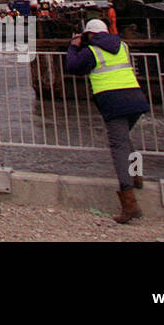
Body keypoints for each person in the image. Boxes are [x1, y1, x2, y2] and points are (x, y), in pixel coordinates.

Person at [65, 17, 150, 223]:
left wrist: (73, 47)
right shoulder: (123, 46)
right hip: (136, 100)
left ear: (89, 34)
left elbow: (73, 66)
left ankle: (129, 202)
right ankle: (136, 175)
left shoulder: (92, 52)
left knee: (118, 145)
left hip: (114, 101)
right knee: (124, 139)